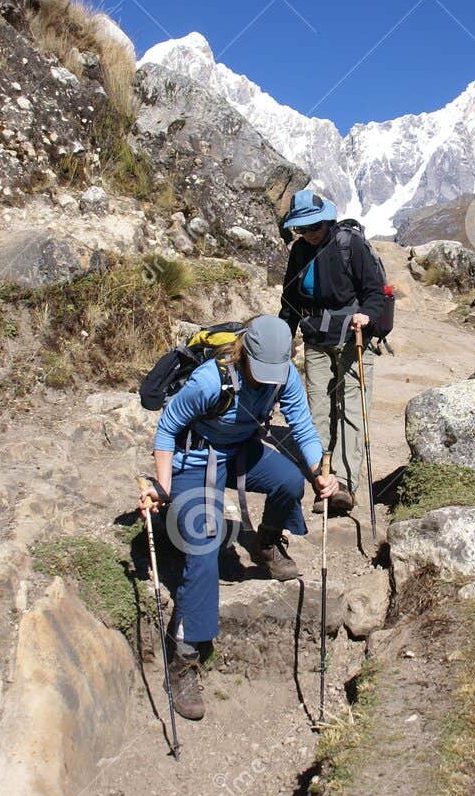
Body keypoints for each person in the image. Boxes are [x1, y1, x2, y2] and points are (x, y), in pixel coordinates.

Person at [137, 315, 338, 722]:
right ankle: (185, 656)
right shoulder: (211, 380)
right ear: (245, 353)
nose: (266, 380)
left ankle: (264, 544)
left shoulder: (284, 376)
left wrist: (320, 472)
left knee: (287, 480)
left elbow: (301, 425)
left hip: (240, 452)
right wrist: (163, 487)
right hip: (195, 459)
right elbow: (167, 429)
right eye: (259, 371)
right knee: (205, 540)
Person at [279, 189, 385, 515]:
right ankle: (326, 478)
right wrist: (281, 340)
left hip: (353, 338)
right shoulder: (299, 252)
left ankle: (347, 485)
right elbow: (290, 302)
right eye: (302, 229)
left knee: (351, 409)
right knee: (318, 411)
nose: (309, 234)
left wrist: (367, 313)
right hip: (316, 340)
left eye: (314, 227)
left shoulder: (349, 244)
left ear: (326, 221)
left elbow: (375, 292)